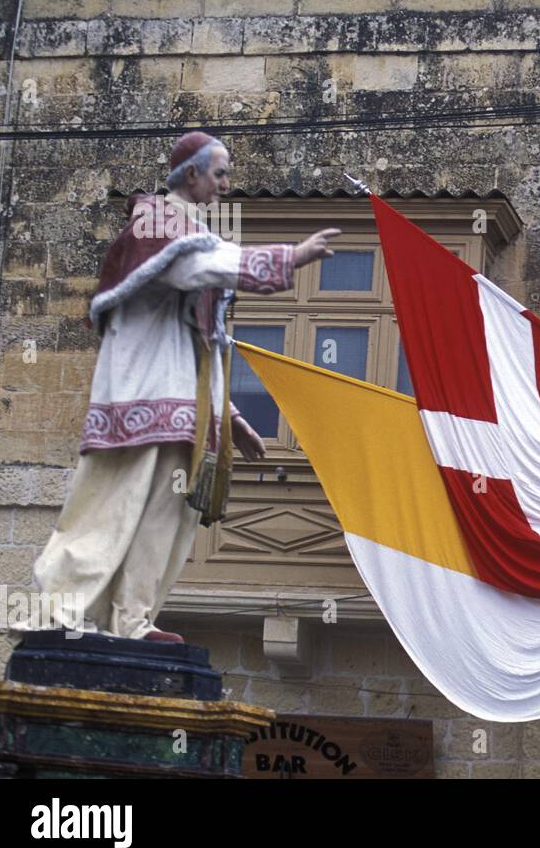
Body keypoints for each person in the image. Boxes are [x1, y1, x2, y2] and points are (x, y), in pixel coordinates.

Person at [23, 132, 339, 643]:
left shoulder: (190, 229)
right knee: (112, 505)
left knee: (164, 517)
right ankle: (58, 610)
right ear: (190, 174)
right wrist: (290, 257)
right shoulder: (157, 223)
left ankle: (132, 619)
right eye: (219, 174)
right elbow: (199, 267)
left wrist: (229, 416)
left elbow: (203, 345)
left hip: (181, 407)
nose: (226, 184)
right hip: (142, 395)